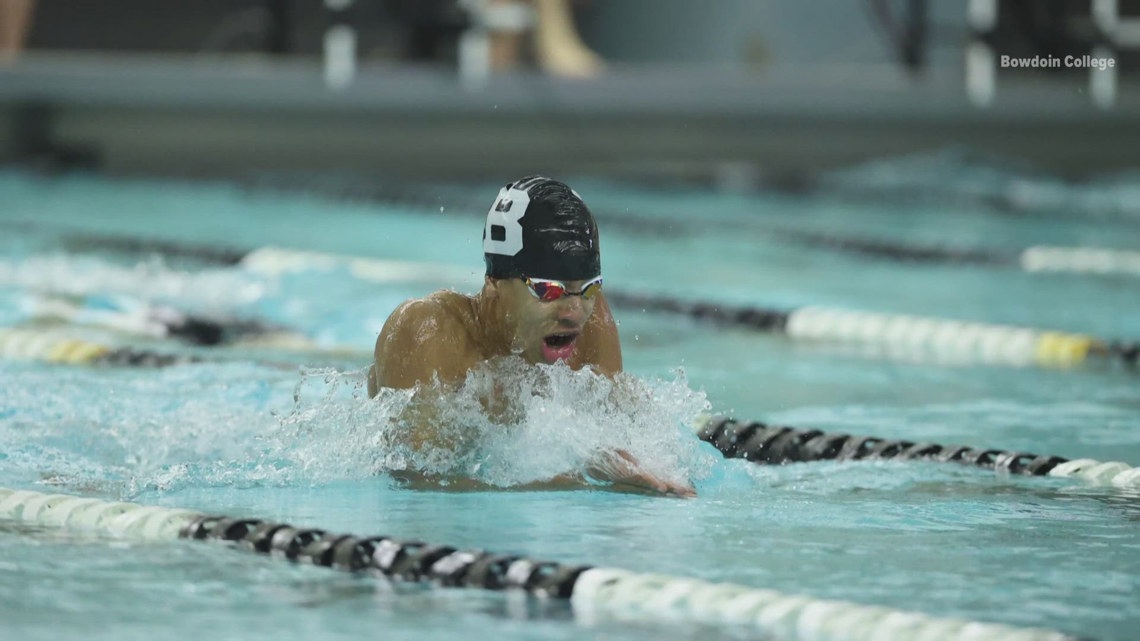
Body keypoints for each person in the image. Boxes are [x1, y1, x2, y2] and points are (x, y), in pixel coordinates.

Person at [368, 175, 693, 497]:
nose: (574, 312)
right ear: (495, 281)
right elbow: (415, 481)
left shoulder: (590, 322)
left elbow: (618, 437)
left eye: (588, 289)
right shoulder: (428, 333)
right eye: (548, 290)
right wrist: (580, 479)